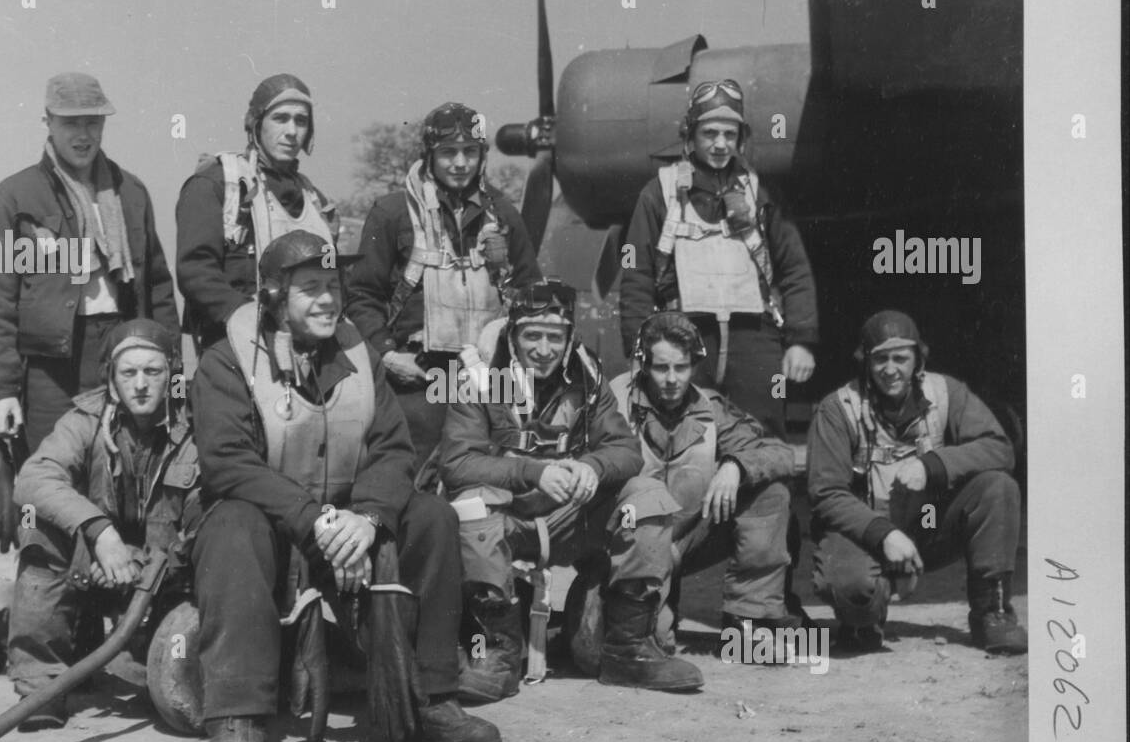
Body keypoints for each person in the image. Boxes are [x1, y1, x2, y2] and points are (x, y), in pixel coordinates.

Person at [189, 229, 501, 742]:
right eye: (310, 288)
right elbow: (228, 464)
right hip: (272, 521)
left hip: (351, 519)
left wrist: (368, 517)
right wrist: (315, 520)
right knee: (232, 526)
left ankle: (432, 695)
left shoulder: (360, 353)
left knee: (432, 516)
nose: (328, 299)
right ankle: (237, 718)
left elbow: (392, 449)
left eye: (332, 285)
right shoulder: (225, 361)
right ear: (275, 299)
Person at [437, 280, 704, 699]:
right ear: (512, 333)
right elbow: (456, 463)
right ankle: (498, 655)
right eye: (532, 335)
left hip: (568, 516)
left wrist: (592, 467)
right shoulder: (478, 375)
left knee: (646, 497)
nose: (544, 349)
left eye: (554, 337)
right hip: (505, 519)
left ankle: (628, 650)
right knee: (469, 507)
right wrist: (533, 471)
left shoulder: (586, 372)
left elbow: (625, 449)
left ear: (568, 338)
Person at [9, 319, 199, 730]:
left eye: (153, 371)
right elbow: (33, 478)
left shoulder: (197, 426)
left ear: (172, 376)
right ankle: (42, 684)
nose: (141, 384)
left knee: (166, 683)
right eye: (128, 373)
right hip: (94, 566)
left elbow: (208, 513)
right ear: (113, 381)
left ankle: (134, 660)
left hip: (167, 575)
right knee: (39, 528)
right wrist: (101, 533)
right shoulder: (85, 420)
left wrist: (143, 559)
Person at [0, 73, 179, 453]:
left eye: (93, 121)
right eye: (70, 122)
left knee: (125, 466)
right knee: (51, 471)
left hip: (123, 347)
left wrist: (174, 372)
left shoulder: (131, 192)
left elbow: (158, 288)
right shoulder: (12, 198)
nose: (82, 133)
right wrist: (1, 391)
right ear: (47, 123)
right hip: (49, 365)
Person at [807, 310, 1026, 654]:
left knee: (998, 487)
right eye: (880, 359)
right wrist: (885, 534)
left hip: (928, 523)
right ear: (865, 361)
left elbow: (999, 448)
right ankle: (865, 618)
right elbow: (826, 493)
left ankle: (992, 612)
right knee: (854, 592)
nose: (890, 369)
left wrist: (933, 464)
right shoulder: (837, 409)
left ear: (917, 359)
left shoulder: (946, 391)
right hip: (865, 533)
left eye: (900, 357)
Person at [345, 103, 541, 470]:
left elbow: (530, 290)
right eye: (448, 152)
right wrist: (387, 354)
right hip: (418, 373)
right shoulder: (391, 213)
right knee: (411, 475)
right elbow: (361, 295)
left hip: (488, 374)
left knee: (499, 476)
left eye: (471, 152)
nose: (460, 163)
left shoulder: (502, 212)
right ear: (429, 155)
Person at [617, 78, 817, 437]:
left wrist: (801, 341)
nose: (721, 144)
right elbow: (636, 272)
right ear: (690, 136)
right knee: (680, 438)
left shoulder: (762, 193)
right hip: (684, 340)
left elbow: (794, 267)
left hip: (755, 341)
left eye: (730, 133)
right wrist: (637, 348)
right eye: (710, 133)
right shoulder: (659, 193)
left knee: (764, 436)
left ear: (741, 138)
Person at [611, 312, 797, 655]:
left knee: (769, 495)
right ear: (642, 365)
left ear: (693, 366)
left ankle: (749, 623)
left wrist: (735, 465)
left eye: (681, 368)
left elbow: (780, 453)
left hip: (685, 538)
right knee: (644, 643)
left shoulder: (708, 406)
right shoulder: (614, 404)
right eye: (660, 368)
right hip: (627, 545)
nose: (671, 379)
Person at [176, 73, 340, 352]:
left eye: (301, 121)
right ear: (256, 124)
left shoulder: (316, 202)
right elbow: (195, 272)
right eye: (280, 118)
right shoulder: (217, 185)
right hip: (234, 346)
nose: (292, 131)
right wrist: (246, 317)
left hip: (309, 349)